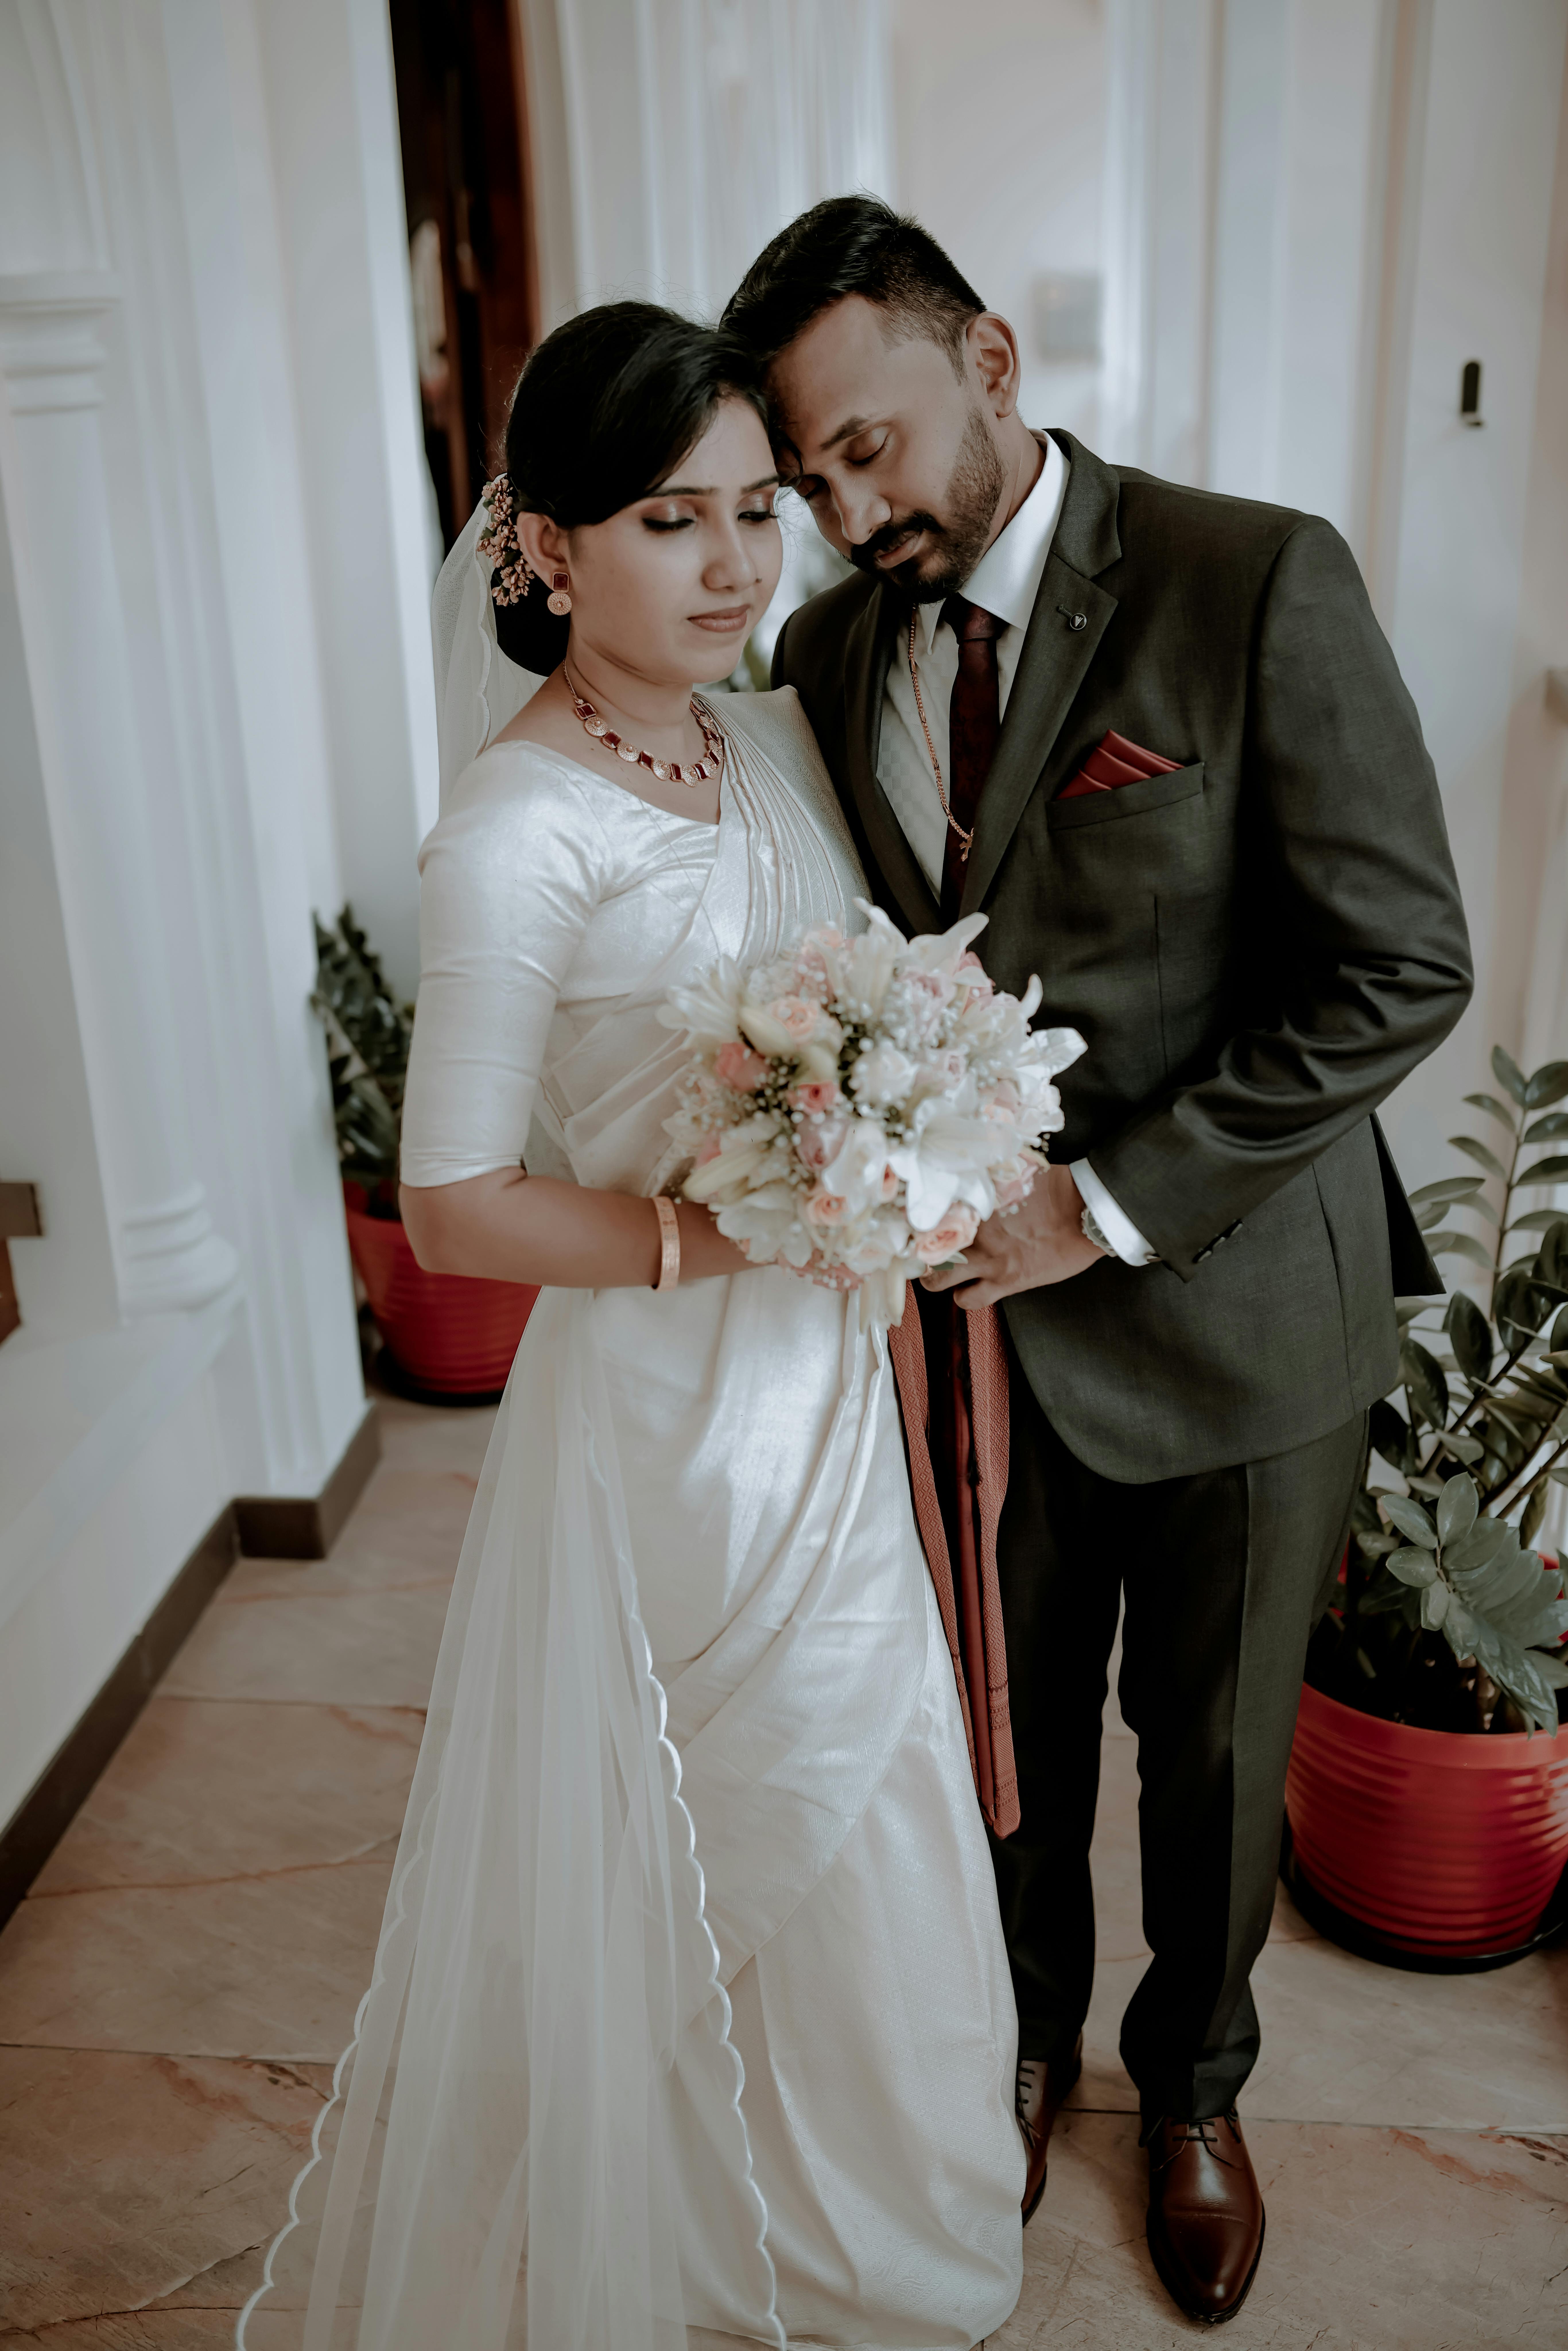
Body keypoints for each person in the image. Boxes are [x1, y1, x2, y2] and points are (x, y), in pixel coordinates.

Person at [240, 303, 1024, 2351]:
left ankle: (871, 2217)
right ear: (544, 551)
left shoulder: (759, 736)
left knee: (871, 1798)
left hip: (826, 1389)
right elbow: (451, 1195)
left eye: (758, 509)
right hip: (675, 1414)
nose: (738, 564)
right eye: (671, 521)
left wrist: (903, 1120)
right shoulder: (518, 833)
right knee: (739, 1810)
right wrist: (718, 1242)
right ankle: (700, 2239)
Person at [723, 195, 1473, 2328]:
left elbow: (1398, 962)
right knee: (1007, 1733)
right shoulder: (828, 651)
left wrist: (1103, 1202)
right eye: (808, 481)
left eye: (868, 446)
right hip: (972, 1352)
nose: (847, 510)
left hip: (1236, 1314)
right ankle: (1020, 2040)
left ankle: (1196, 2090)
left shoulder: (1252, 582)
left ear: (988, 362)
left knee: (1219, 1755)